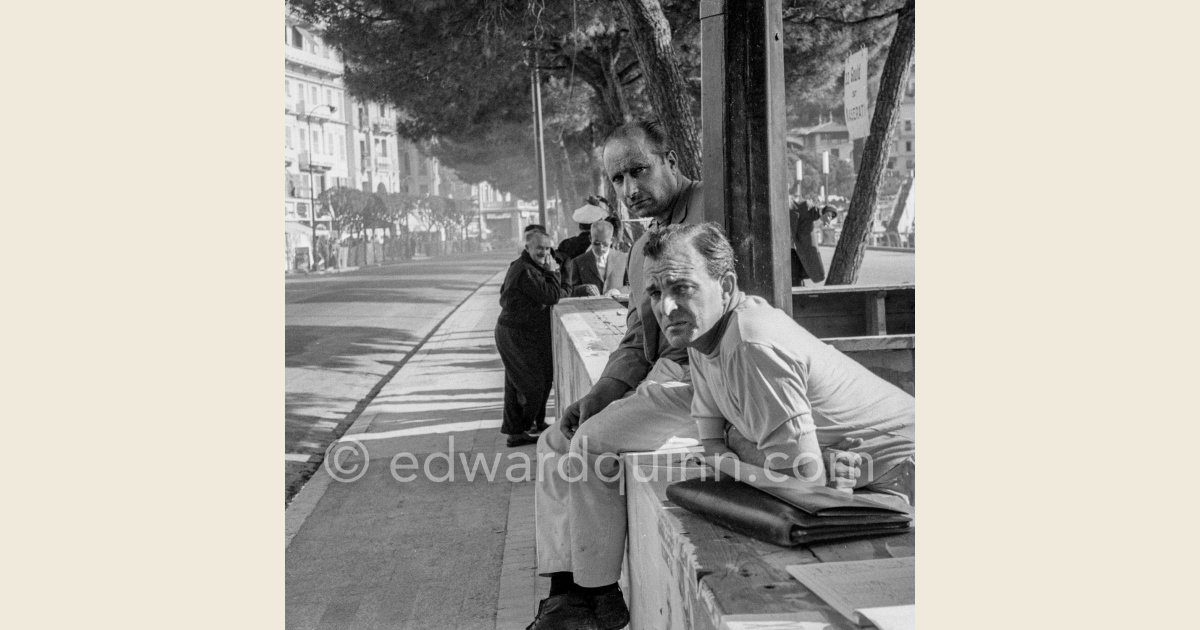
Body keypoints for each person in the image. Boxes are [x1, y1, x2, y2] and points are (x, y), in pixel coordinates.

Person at [529, 120, 704, 630]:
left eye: (638, 171)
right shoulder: (639, 244)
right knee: (554, 441)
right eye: (618, 179)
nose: (628, 190)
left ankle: (600, 597)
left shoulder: (712, 209)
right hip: (662, 375)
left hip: (704, 376)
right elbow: (635, 338)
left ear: (670, 159)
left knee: (592, 446)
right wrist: (600, 393)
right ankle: (564, 592)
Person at [642, 222, 915, 502]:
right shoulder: (700, 338)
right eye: (655, 293)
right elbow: (712, 445)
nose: (666, 307)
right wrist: (741, 446)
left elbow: (805, 485)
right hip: (871, 481)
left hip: (905, 475)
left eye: (682, 288)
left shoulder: (749, 343)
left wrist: (736, 441)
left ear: (725, 286)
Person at [495, 230, 569, 448]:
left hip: (520, 332)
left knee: (520, 384)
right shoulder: (525, 270)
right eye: (540, 248)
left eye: (548, 248)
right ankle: (523, 427)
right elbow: (551, 296)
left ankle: (518, 430)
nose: (544, 253)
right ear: (527, 248)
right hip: (515, 333)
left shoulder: (525, 266)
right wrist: (554, 272)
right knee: (532, 386)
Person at [565, 220, 627, 298]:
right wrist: (584, 289)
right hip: (589, 308)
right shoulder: (578, 262)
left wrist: (618, 291)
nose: (601, 248)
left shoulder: (623, 259)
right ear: (590, 239)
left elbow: (633, 286)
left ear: (612, 240)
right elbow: (569, 291)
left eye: (605, 244)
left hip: (617, 308)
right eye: (596, 243)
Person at [790, 199, 825, 286]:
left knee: (795, 293)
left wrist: (827, 212)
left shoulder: (798, 207)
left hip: (790, 260)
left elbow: (817, 211)